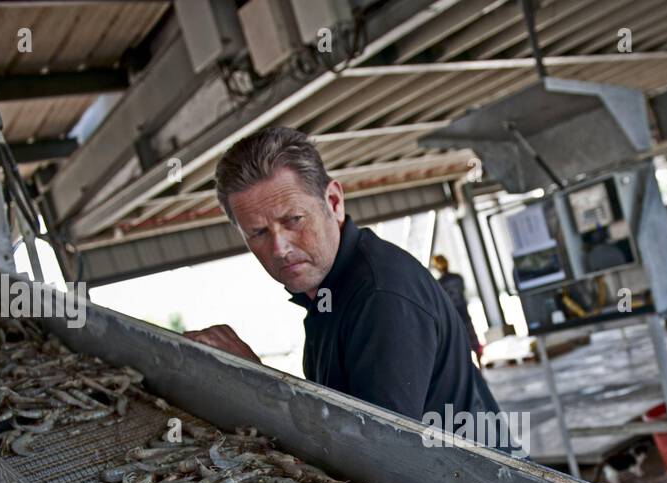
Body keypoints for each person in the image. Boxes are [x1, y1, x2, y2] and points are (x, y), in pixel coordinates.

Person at [207, 126, 507, 442]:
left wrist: (260, 382)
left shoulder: (381, 297)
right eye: (258, 233)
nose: (280, 247)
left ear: (334, 202)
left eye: (293, 220)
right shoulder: (327, 293)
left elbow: (376, 451)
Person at [431, 254, 482, 360]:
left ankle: (468, 367)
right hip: (464, 312)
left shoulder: (439, 283)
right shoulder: (458, 278)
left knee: (459, 343)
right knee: (472, 339)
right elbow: (462, 292)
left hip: (452, 316)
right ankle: (480, 364)